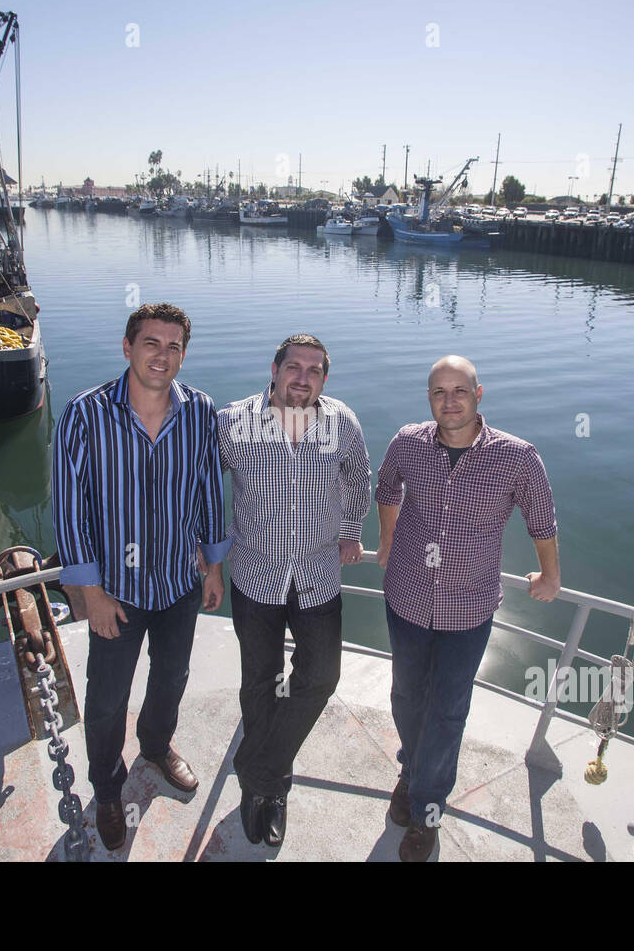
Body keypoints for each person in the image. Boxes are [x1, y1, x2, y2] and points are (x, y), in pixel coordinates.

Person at [52, 303, 230, 853]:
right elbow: (68, 507)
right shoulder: (84, 414)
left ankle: (155, 747)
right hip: (116, 594)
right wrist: (91, 592)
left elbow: (208, 491)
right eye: (151, 343)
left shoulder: (199, 410)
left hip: (178, 582)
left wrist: (214, 563)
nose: (163, 355)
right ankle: (107, 790)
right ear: (127, 347)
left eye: (175, 346)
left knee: (171, 677)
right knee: (106, 699)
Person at [375, 355, 560, 862]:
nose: (449, 401)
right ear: (429, 398)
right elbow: (386, 487)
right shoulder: (409, 442)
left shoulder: (517, 457)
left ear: (479, 395)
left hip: (468, 608)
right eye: (439, 392)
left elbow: (541, 515)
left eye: (460, 390)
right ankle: (411, 771)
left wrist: (550, 575)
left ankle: (427, 810)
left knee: (447, 711)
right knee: (407, 699)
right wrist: (388, 541)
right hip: (408, 597)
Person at [218, 334, 371, 847]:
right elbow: (196, 486)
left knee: (321, 677)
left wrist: (350, 528)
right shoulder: (233, 421)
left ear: (325, 378)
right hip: (256, 575)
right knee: (259, 680)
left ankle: (258, 770)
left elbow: (358, 477)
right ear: (275, 368)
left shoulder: (341, 422)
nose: (302, 378)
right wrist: (208, 554)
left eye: (314, 370)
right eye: (294, 367)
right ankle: (270, 790)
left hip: (317, 574)